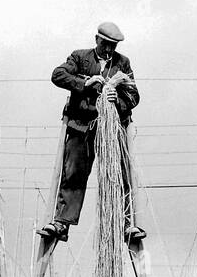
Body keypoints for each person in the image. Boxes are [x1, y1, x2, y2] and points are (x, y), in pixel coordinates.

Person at [37, 22, 143, 243]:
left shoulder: (123, 63)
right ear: (96, 39)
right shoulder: (80, 57)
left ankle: (125, 223)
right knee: (73, 172)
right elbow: (57, 75)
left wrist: (117, 102)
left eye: (113, 46)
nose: (108, 50)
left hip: (111, 131)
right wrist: (85, 82)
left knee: (118, 175)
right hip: (82, 127)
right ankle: (61, 223)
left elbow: (134, 96)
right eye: (105, 44)